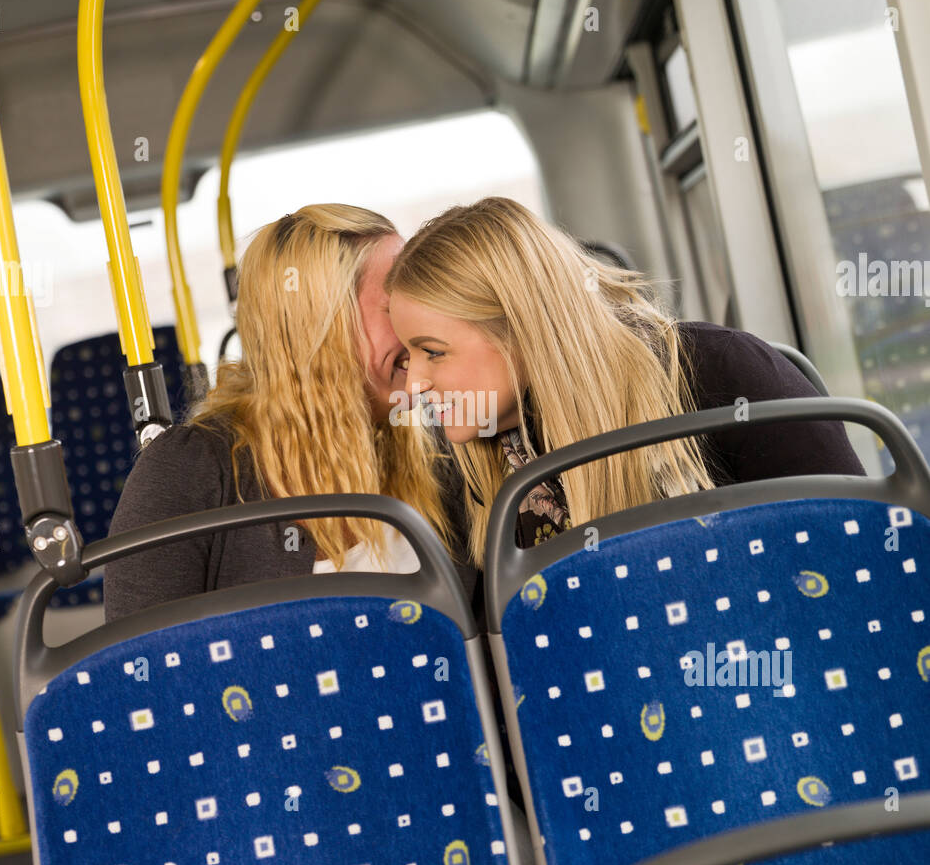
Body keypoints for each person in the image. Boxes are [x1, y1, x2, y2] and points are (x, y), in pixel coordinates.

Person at [386, 197, 866, 565]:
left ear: (520, 329)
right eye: (409, 356)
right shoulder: (478, 472)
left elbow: (852, 552)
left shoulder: (719, 374)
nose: (414, 385)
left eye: (433, 352)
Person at [103, 204, 467, 622]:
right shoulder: (190, 474)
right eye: (396, 307)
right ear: (320, 328)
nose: (424, 326)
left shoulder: (438, 439)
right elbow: (139, 671)